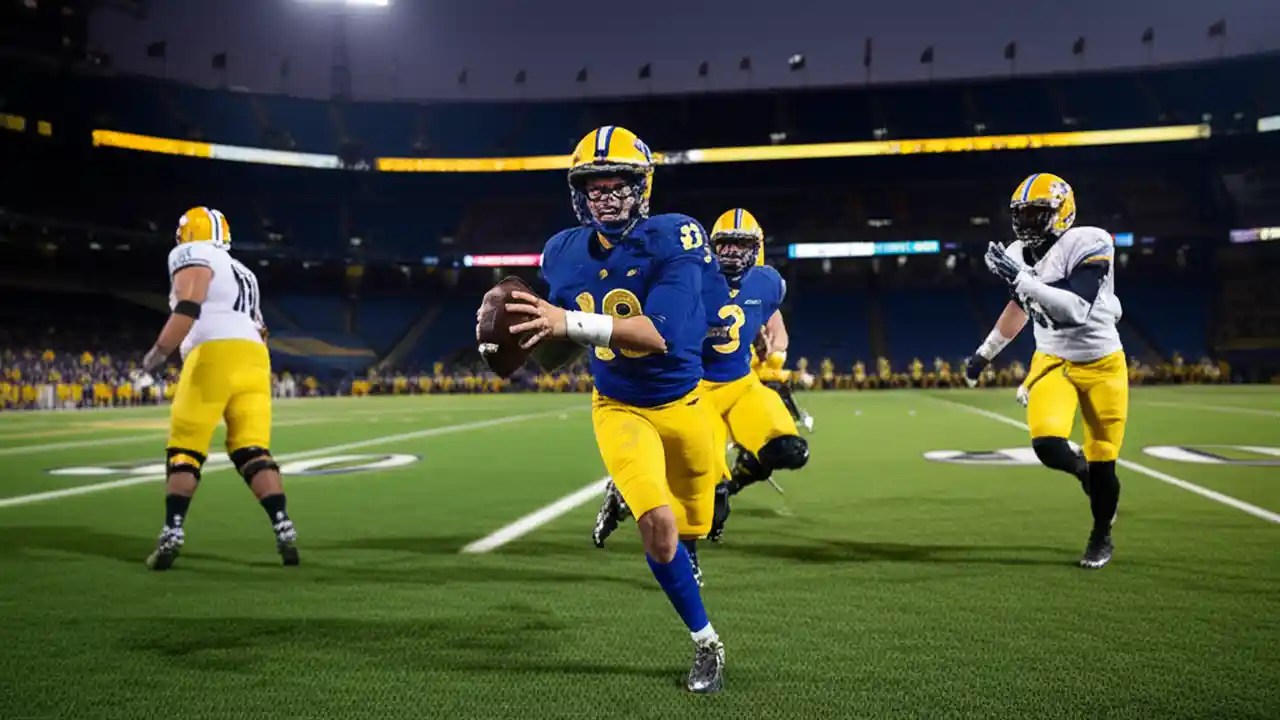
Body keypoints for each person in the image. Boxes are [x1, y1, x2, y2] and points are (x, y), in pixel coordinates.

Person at [504, 126, 728, 693]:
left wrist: (565, 321)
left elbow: (658, 334)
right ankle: (707, 642)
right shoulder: (561, 251)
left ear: (642, 187)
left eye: (617, 185)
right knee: (660, 530)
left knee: (696, 526)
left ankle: (634, 495)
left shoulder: (675, 237)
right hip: (618, 406)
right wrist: (515, 340)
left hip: (684, 404)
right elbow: (557, 344)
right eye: (594, 187)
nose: (604, 198)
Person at [963, 173, 1126, 569]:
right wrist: (985, 353)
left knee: (1105, 459)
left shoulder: (1089, 241)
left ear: (1062, 211)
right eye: (1021, 215)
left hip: (1102, 363)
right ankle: (1080, 469)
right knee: (1047, 445)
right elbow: (1021, 306)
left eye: (1036, 214)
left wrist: (1023, 279)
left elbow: (1076, 309)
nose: (1026, 223)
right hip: (1053, 361)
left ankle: (1101, 534)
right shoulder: (1018, 254)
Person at [132, 207, 298, 571]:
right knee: (252, 449)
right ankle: (283, 526)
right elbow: (261, 329)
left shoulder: (192, 252)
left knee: (185, 447)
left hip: (213, 354)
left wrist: (155, 356)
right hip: (255, 360)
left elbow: (188, 304)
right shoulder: (243, 271)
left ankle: (172, 531)